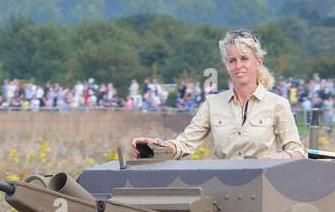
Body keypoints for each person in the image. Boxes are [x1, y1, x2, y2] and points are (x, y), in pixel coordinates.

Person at [131, 29, 305, 161]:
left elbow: (298, 150)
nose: (238, 66)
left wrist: (283, 157)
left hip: (263, 190)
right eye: (232, 60)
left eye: (244, 59)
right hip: (222, 190)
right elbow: (185, 144)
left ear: (258, 62)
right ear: (226, 65)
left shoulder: (277, 104)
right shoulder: (212, 104)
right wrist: (156, 146)